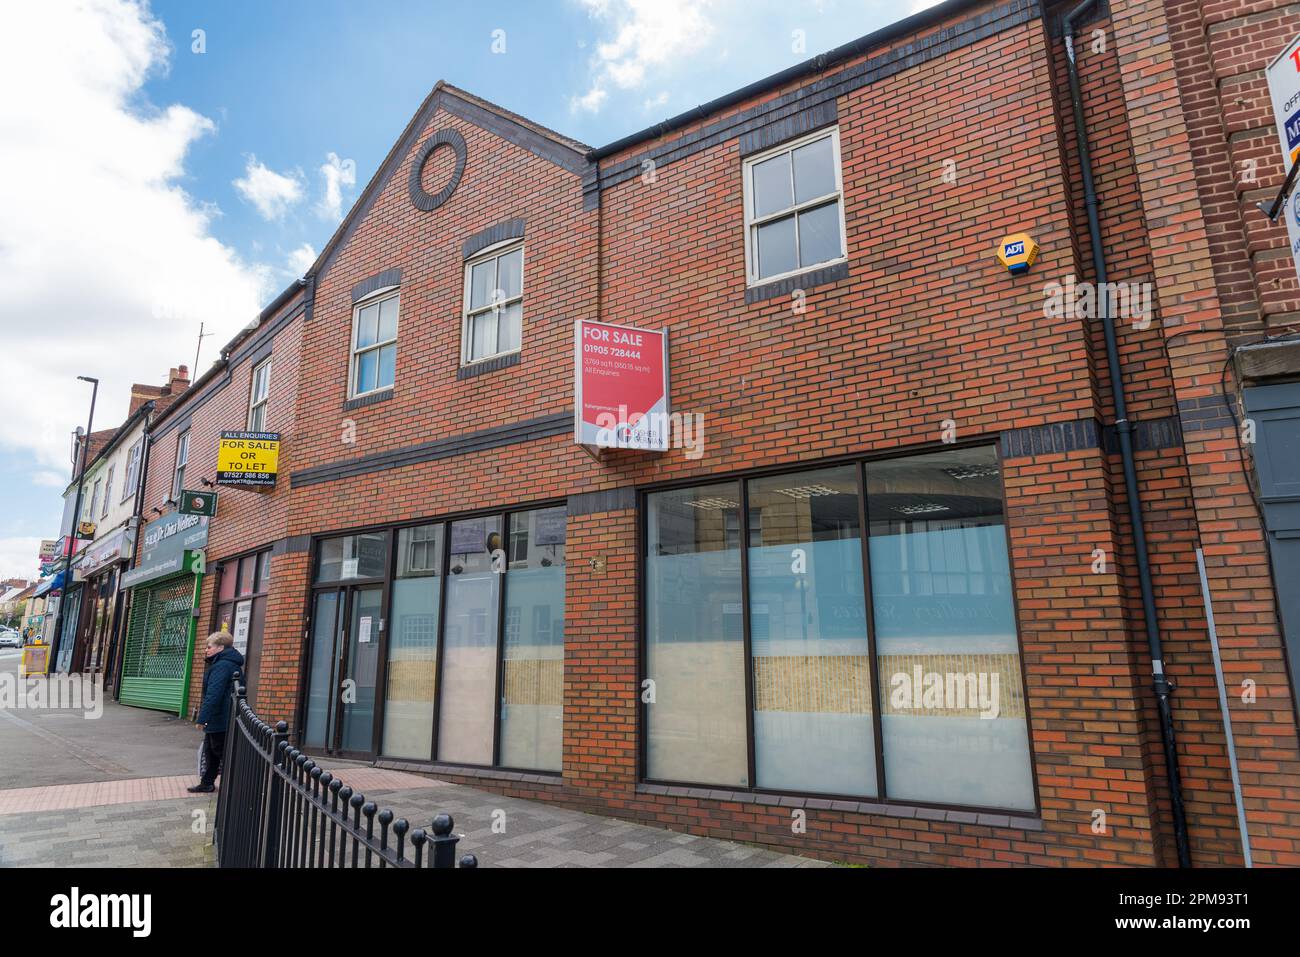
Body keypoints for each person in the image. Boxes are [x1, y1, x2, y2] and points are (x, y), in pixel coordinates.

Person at [188, 631, 244, 794]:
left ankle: (234, 785)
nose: (206, 650)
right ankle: (207, 782)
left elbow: (214, 693)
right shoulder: (228, 664)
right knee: (212, 751)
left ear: (220, 647)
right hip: (223, 716)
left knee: (220, 751)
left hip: (220, 717)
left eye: (209, 646)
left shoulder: (222, 666)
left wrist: (202, 718)